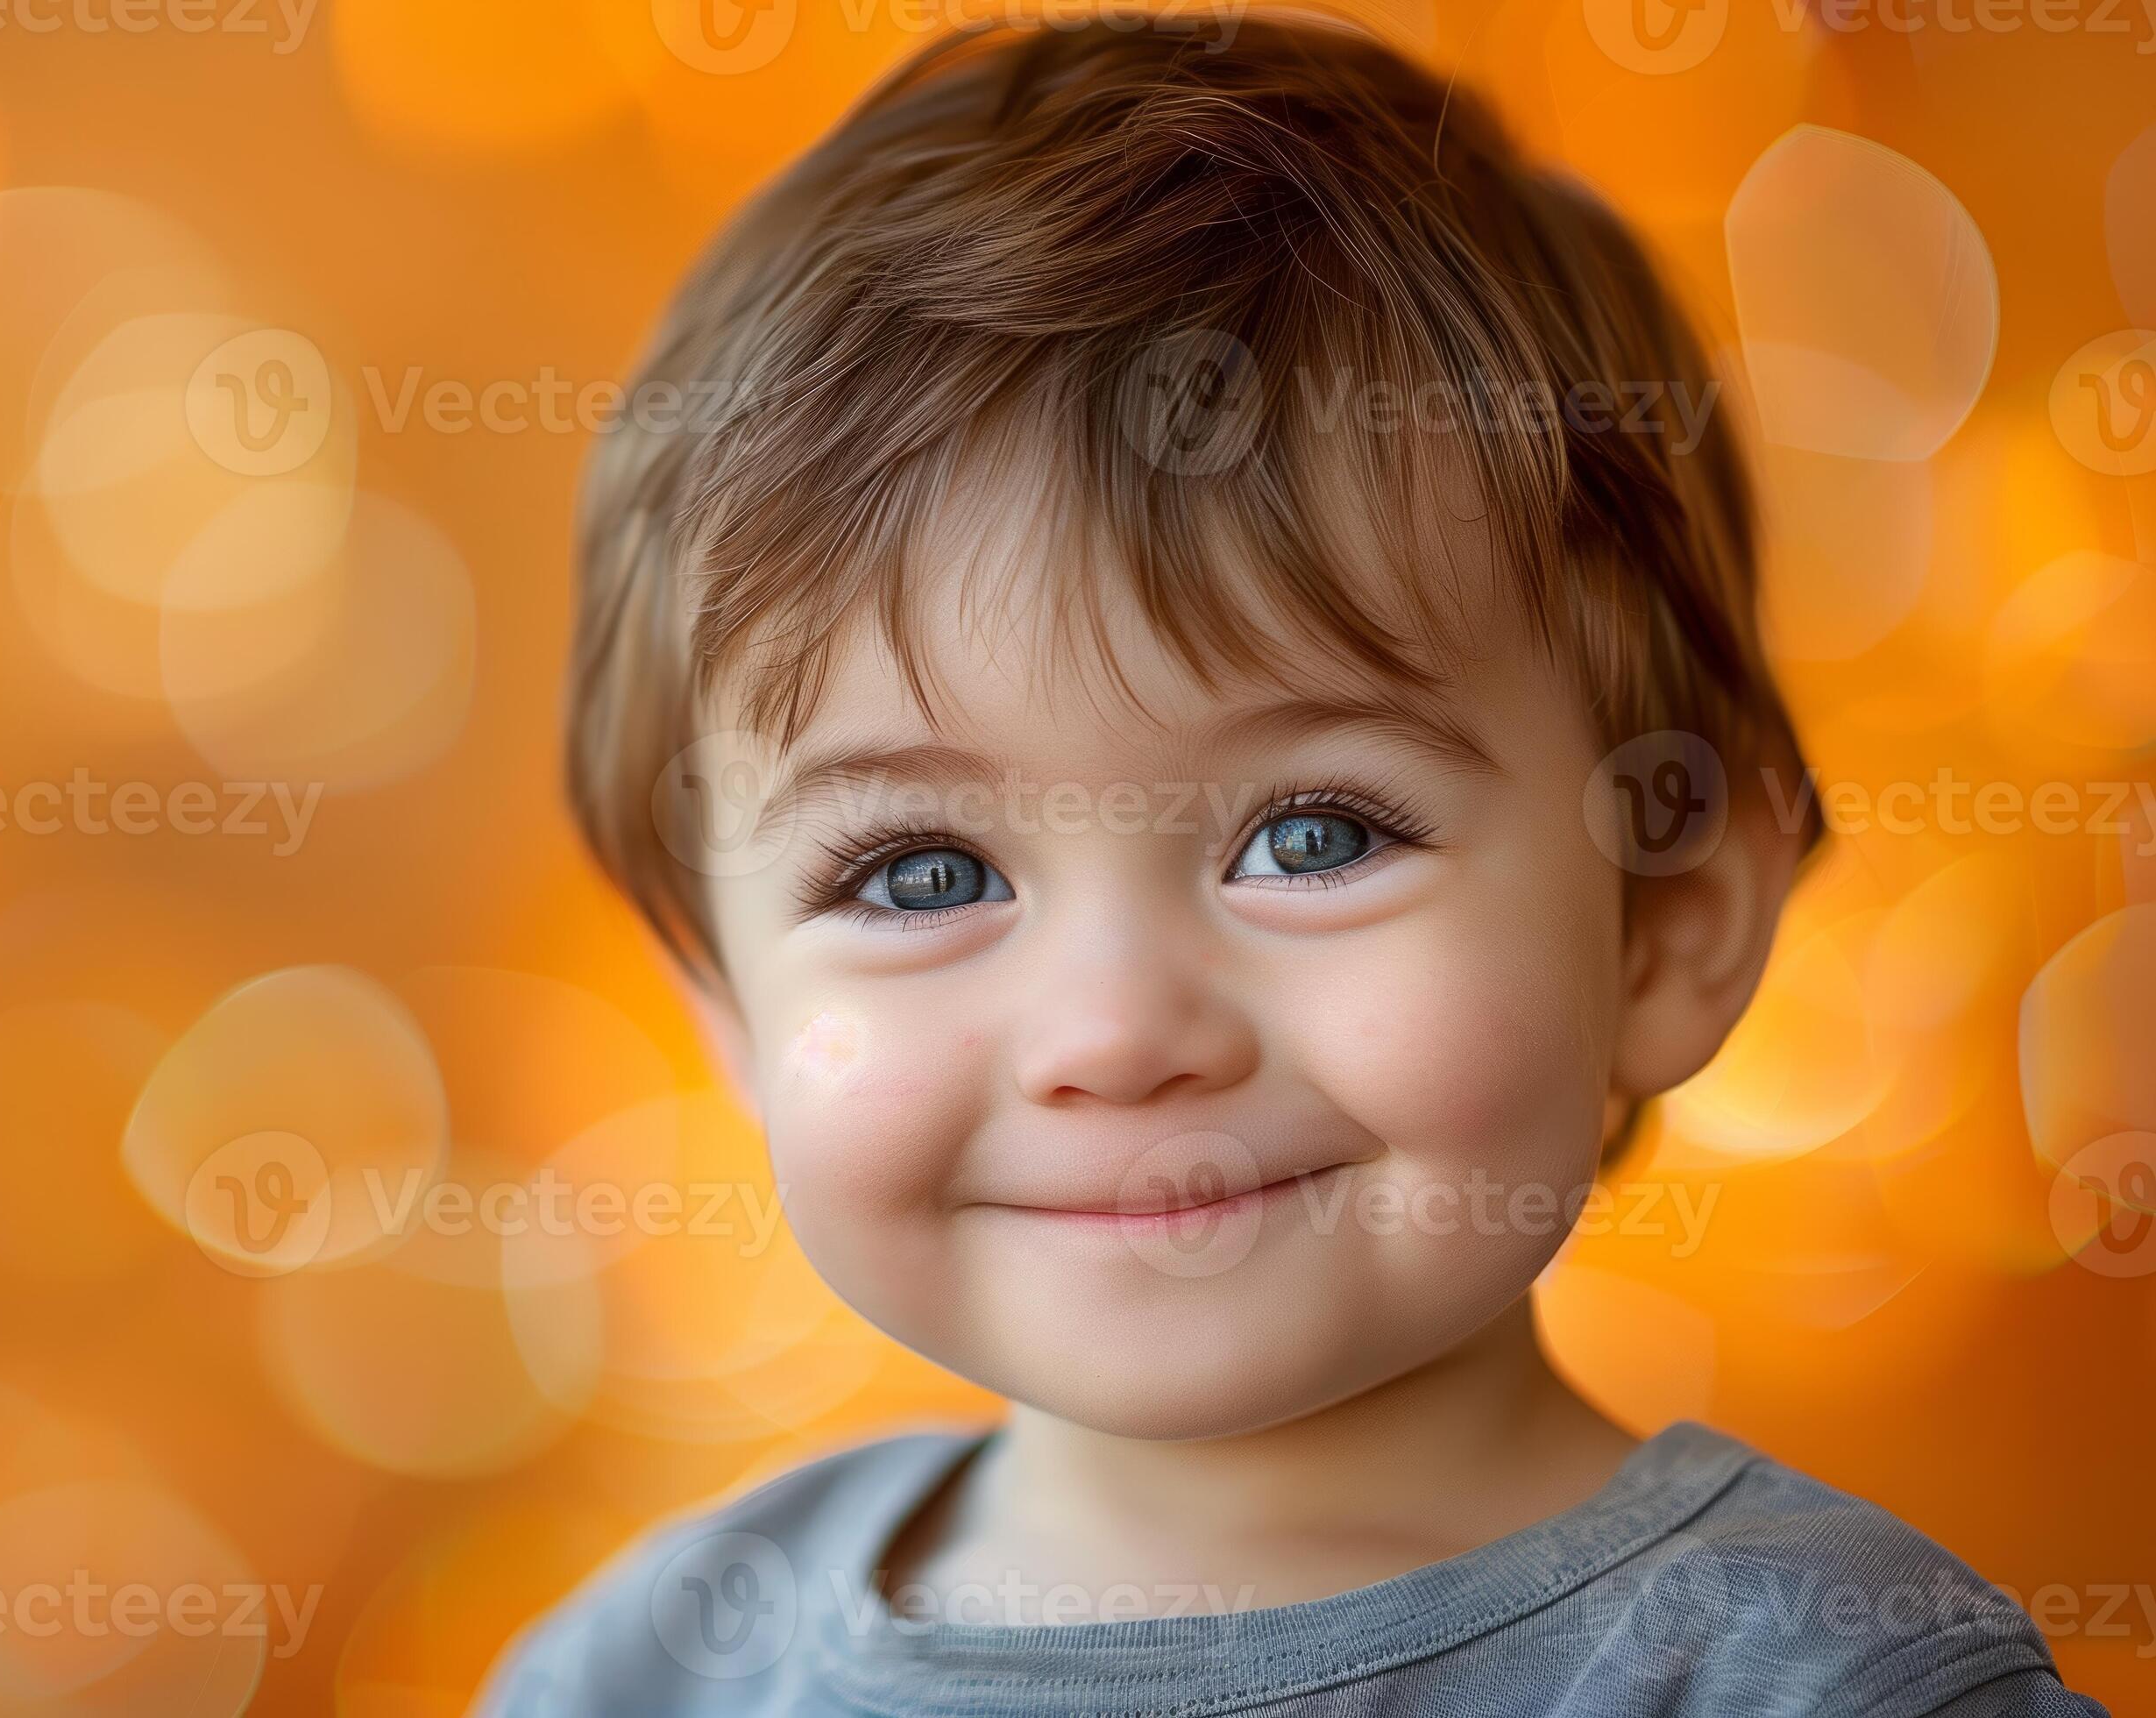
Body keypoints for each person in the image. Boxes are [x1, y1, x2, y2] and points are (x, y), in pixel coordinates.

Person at [484, 11, 2108, 1714]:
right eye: (919, 875)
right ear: (725, 999)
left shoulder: (1830, 1685)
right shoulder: (642, 1669)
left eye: (1312, 835)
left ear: (1670, 926)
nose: (1116, 1032)